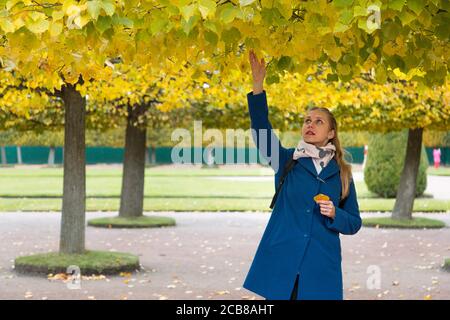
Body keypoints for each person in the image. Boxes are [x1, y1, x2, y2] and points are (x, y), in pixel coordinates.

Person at [242, 50, 362, 300]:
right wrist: (257, 87)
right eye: (307, 120)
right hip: (283, 262)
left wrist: (335, 214)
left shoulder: (342, 174)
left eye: (318, 121)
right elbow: (261, 129)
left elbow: (354, 222)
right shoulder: (287, 160)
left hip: (320, 268)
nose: (310, 124)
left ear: (331, 133)